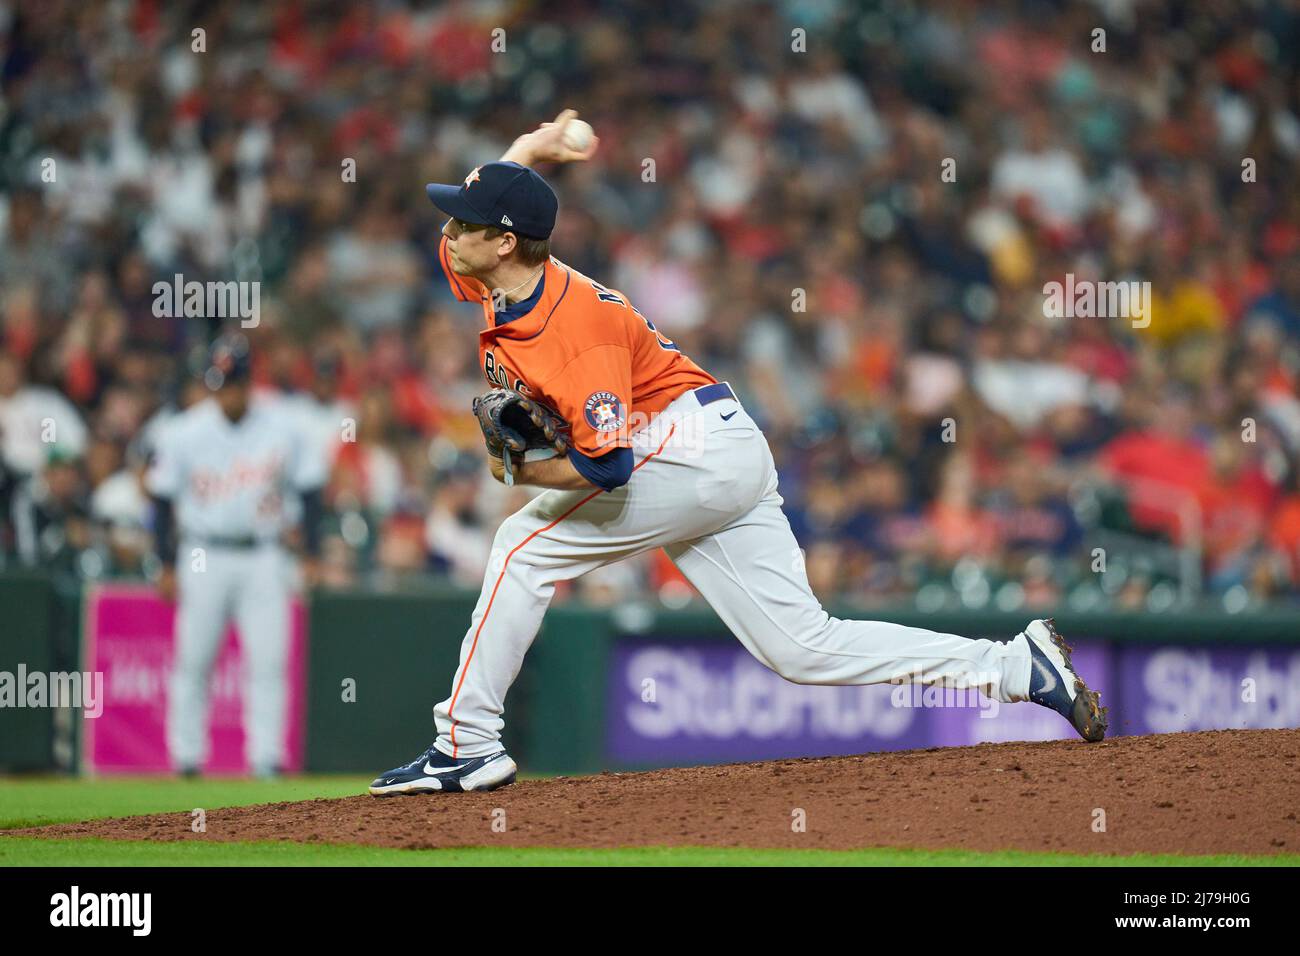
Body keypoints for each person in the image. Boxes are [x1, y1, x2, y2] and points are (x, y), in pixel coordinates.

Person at [369, 111, 1106, 797]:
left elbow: (609, 471)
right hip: (717, 449)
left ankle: (467, 743)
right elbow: (494, 205)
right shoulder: (492, 266)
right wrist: (530, 149)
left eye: (463, 222)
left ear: (503, 242)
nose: (449, 232)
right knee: (802, 648)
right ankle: (1016, 666)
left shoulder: (575, 334)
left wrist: (520, 469)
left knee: (520, 545)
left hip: (685, 450)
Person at [146, 333, 327, 777]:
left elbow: (310, 491)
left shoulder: (283, 425)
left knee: (269, 661)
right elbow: (163, 500)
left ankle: (266, 759)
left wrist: (312, 553)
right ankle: (186, 759)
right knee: (194, 659)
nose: (225, 392)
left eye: (232, 383)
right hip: (203, 552)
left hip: (264, 553)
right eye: (219, 384)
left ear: (249, 382)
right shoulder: (184, 430)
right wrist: (166, 563)